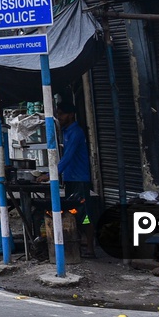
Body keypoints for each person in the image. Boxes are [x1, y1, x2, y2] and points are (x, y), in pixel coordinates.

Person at [56, 102, 96, 258]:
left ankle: (91, 249)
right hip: (70, 179)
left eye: (61, 114)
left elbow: (68, 156)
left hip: (80, 179)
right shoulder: (66, 132)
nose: (59, 117)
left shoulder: (76, 133)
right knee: (74, 213)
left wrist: (53, 174)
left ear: (71, 114)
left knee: (85, 214)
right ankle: (79, 244)